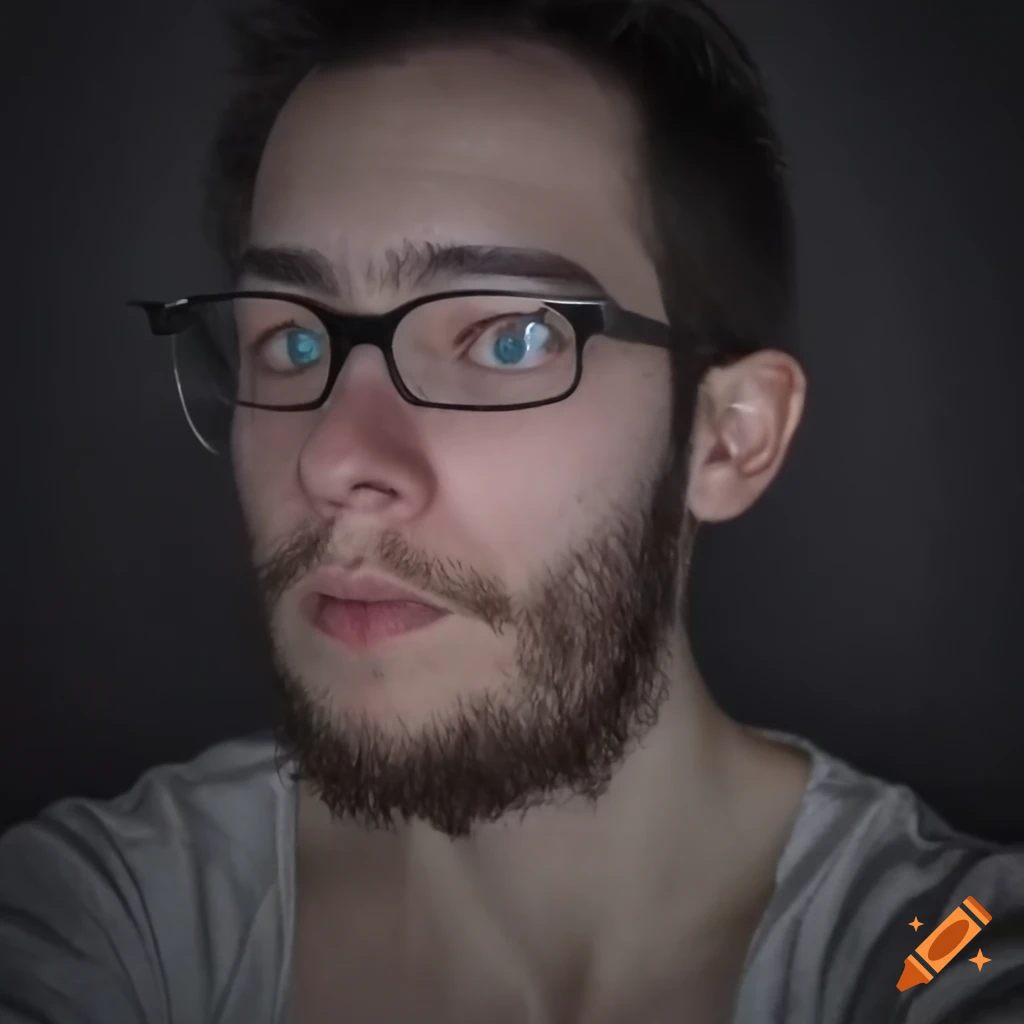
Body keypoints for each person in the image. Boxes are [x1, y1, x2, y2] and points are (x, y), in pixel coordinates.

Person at [1, 0, 1022, 1021]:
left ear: (726, 435)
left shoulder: (937, 947)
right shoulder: (111, 913)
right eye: (296, 341)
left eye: (507, 339)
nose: (336, 457)